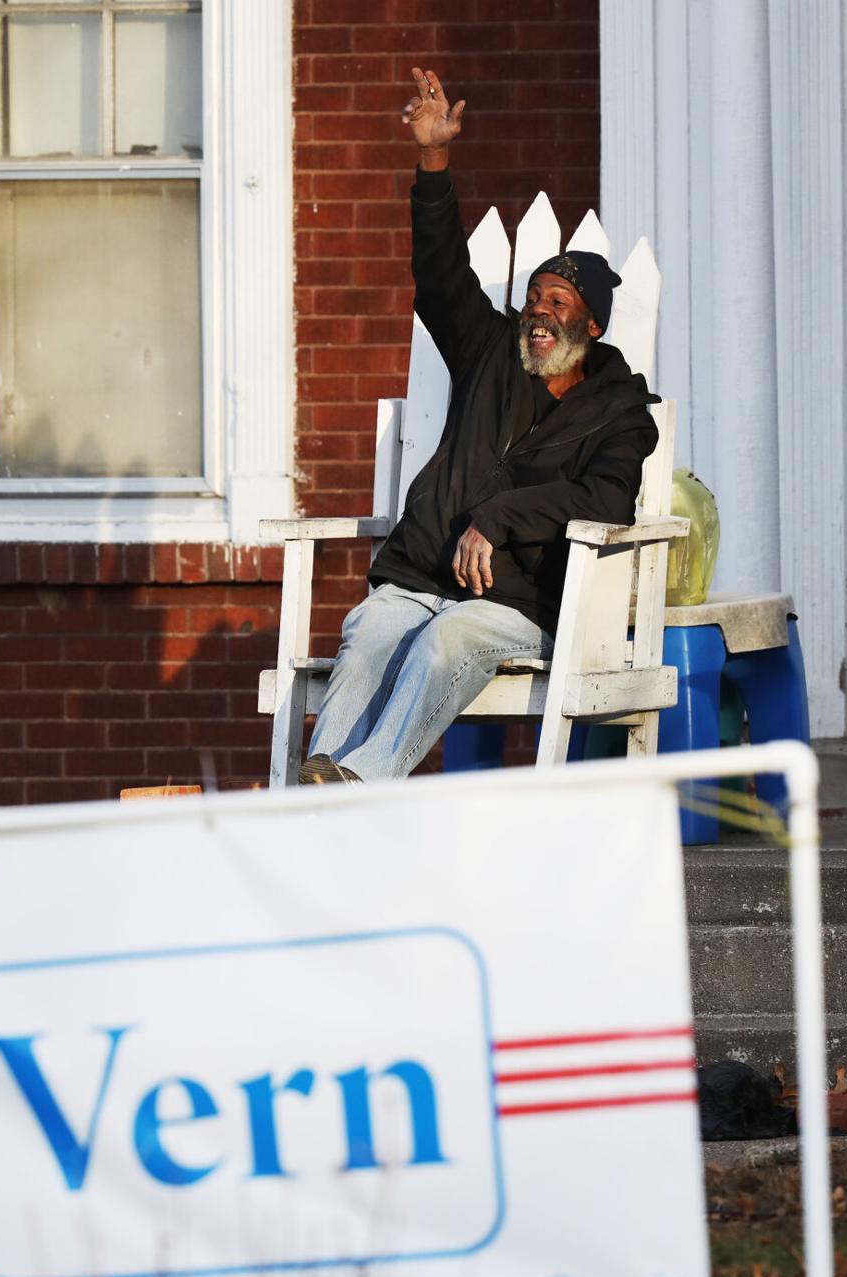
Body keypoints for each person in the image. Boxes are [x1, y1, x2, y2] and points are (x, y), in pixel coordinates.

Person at [299, 66, 660, 785]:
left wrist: (498, 516)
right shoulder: (488, 352)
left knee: (444, 643)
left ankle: (353, 788)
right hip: (417, 575)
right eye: (533, 296)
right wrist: (434, 161)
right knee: (368, 634)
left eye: (558, 301)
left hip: (514, 600)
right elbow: (439, 276)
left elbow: (607, 501)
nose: (539, 311)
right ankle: (317, 792)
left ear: (589, 324)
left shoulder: (619, 413)